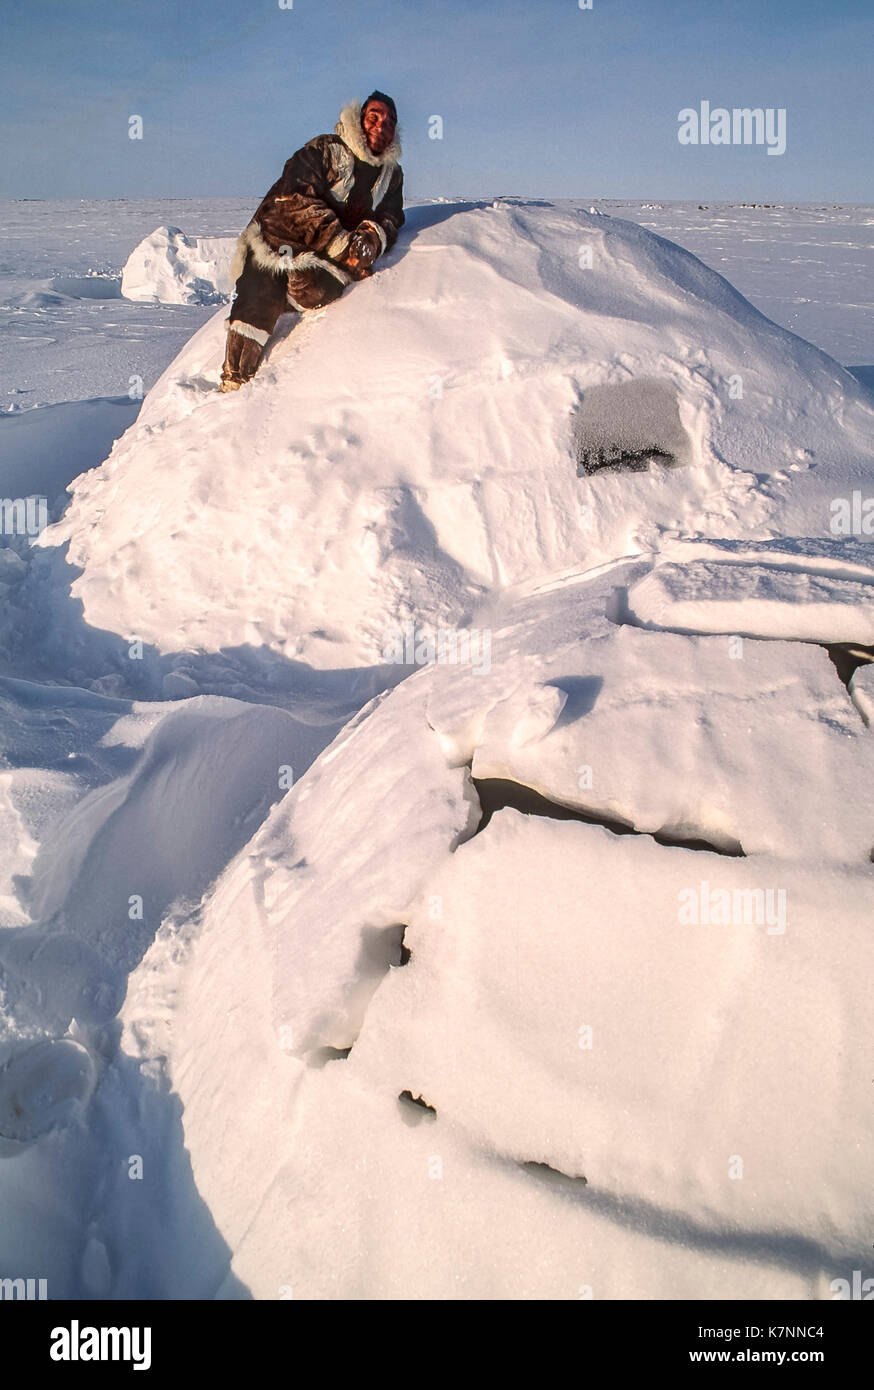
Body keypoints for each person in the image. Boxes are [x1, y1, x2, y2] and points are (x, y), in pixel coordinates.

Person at [220, 91, 404, 391]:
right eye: (374, 117)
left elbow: (392, 217)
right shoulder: (324, 150)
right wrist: (343, 244)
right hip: (277, 237)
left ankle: (294, 294)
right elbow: (292, 200)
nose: (381, 126)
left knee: (315, 288)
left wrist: (371, 238)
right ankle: (234, 385)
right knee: (258, 295)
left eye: (389, 122)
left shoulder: (391, 177)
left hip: (325, 257)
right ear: (360, 120)